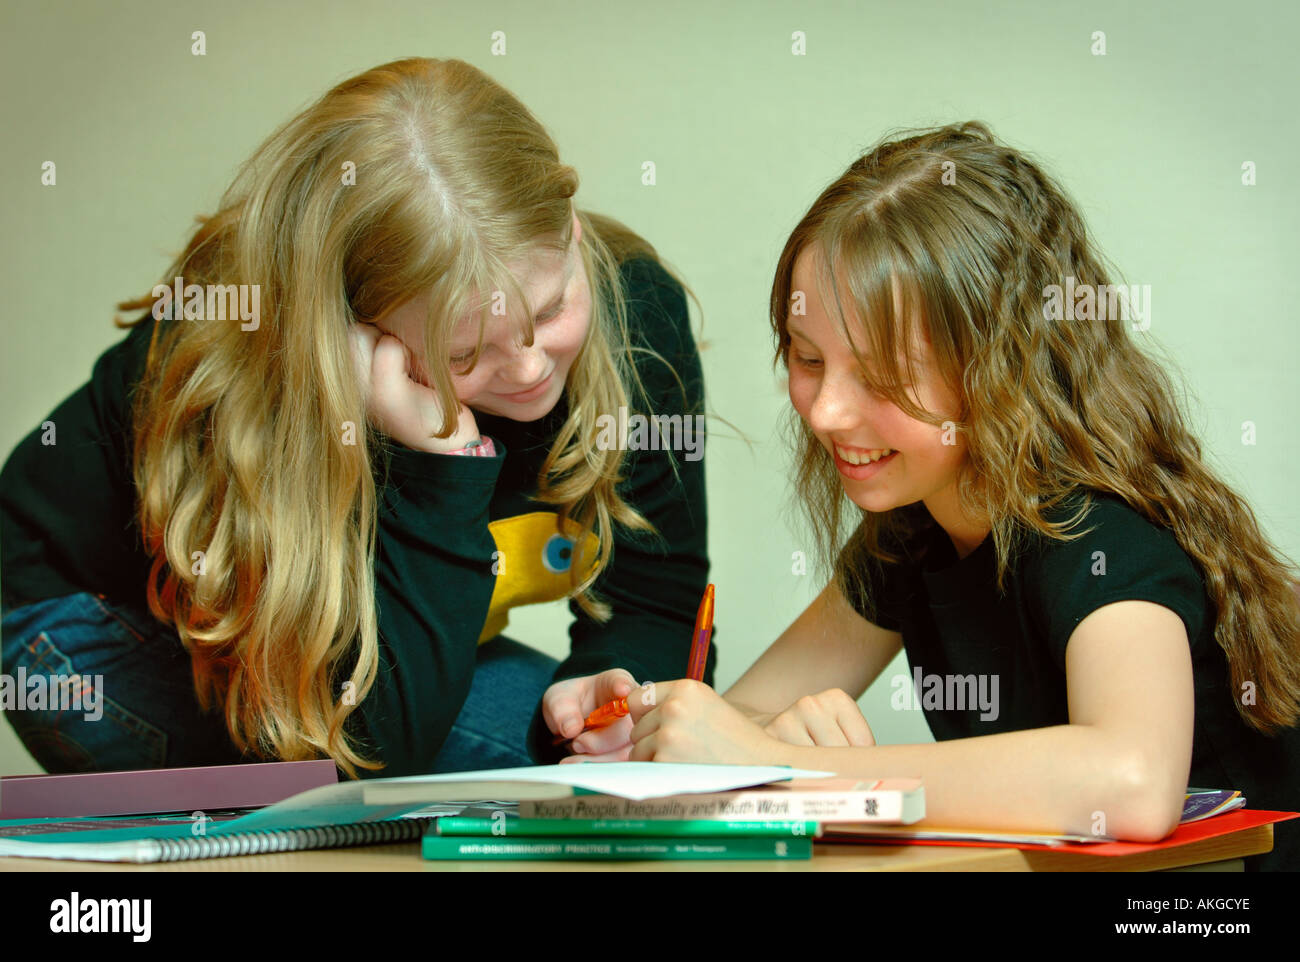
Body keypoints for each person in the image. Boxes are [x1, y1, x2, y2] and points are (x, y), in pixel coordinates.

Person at [0, 57, 712, 780]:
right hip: (82, 619)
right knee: (502, 769)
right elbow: (365, 744)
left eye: (553, 309)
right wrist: (444, 463)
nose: (530, 371)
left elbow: (659, 597)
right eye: (462, 352)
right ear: (358, 331)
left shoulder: (636, 311)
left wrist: (607, 683)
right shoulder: (258, 374)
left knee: (619, 757)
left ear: (574, 233)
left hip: (344, 646)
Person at [617, 121, 1300, 871]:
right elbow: (737, 719)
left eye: (880, 376)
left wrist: (796, 773)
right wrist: (702, 730)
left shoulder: (1100, 539)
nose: (826, 412)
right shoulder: (909, 535)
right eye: (809, 359)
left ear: (1001, 367)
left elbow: (1131, 785)